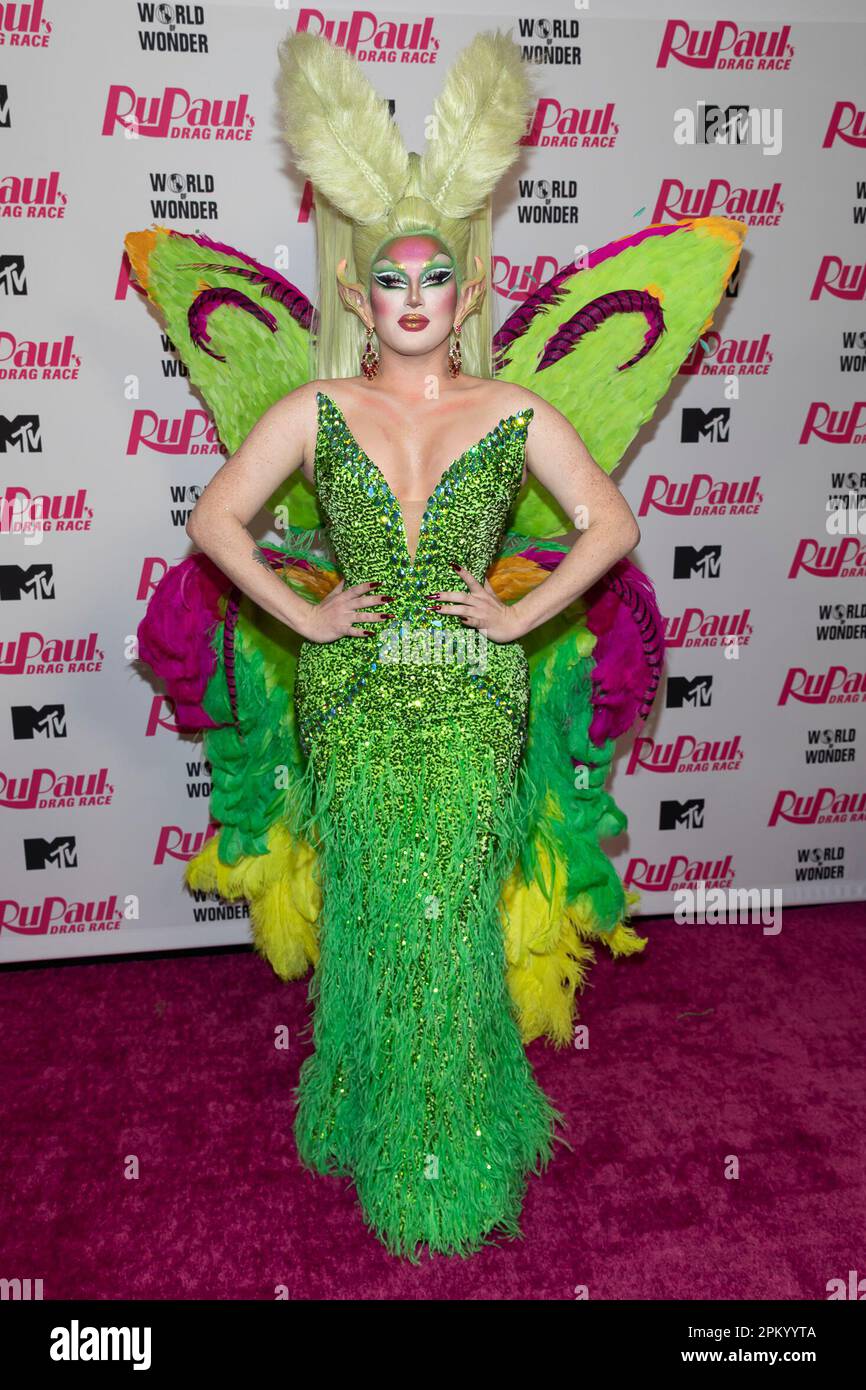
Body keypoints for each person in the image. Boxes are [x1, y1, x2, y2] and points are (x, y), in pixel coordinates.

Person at [128, 27, 744, 1260]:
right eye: (391, 282)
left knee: (448, 906)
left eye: (436, 280)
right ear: (360, 297)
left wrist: (516, 617)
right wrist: (303, 616)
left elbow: (608, 525)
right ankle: (368, 1095)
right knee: (367, 901)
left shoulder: (513, 409)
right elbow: (212, 521)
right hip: (351, 694)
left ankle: (446, 1131)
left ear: (465, 294)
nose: (414, 299)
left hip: (470, 694)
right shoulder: (316, 408)